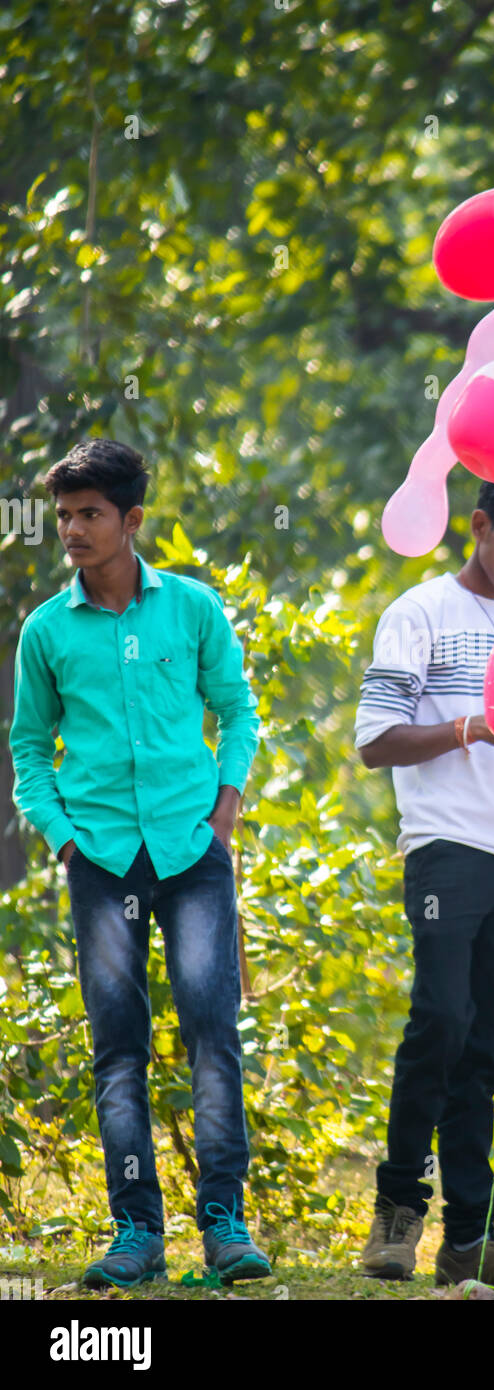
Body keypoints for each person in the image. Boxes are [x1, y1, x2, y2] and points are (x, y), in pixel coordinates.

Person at [9, 438, 270, 1289]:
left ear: (133, 520)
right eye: (65, 516)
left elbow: (237, 710)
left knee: (210, 1031)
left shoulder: (191, 609)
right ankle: (136, 1234)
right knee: (117, 1048)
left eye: (91, 514)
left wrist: (226, 805)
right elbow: (27, 750)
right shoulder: (46, 632)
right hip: (102, 861)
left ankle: (225, 1227)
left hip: (193, 853)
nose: (75, 530)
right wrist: (65, 838)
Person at [354, 473, 494, 1290]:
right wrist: (474, 726)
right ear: (479, 525)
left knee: (485, 1050)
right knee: (440, 1021)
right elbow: (376, 740)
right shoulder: (419, 613)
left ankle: (470, 1241)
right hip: (446, 844)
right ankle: (396, 1214)